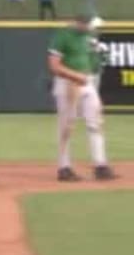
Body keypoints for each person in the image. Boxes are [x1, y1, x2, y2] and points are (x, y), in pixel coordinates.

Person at [47, 14, 115, 182]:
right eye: (89, 25)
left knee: (96, 122)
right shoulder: (63, 36)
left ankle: (100, 166)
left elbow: (93, 59)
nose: (92, 29)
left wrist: (99, 59)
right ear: (79, 23)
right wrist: (75, 75)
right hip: (67, 83)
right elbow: (54, 66)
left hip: (87, 82)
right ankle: (64, 168)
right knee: (67, 126)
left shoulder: (89, 36)